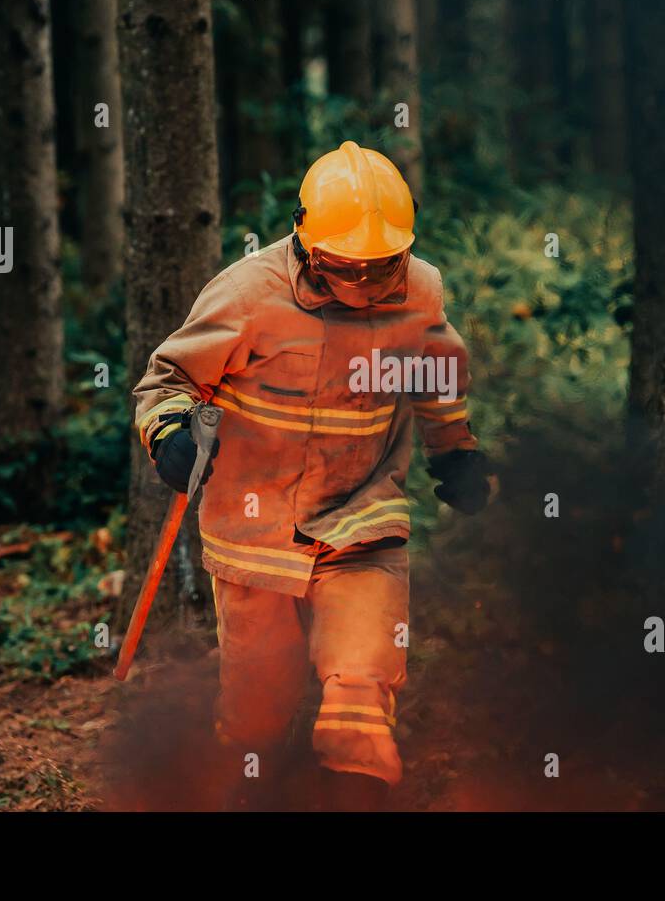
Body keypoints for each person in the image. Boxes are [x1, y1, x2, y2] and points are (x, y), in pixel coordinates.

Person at [133, 141, 493, 810]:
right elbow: (168, 379)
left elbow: (439, 380)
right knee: (254, 715)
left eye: (381, 267)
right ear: (306, 241)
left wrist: (457, 454)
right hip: (254, 534)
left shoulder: (422, 292)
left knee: (360, 683)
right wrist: (171, 434)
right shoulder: (247, 294)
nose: (364, 285)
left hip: (363, 521)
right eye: (346, 268)